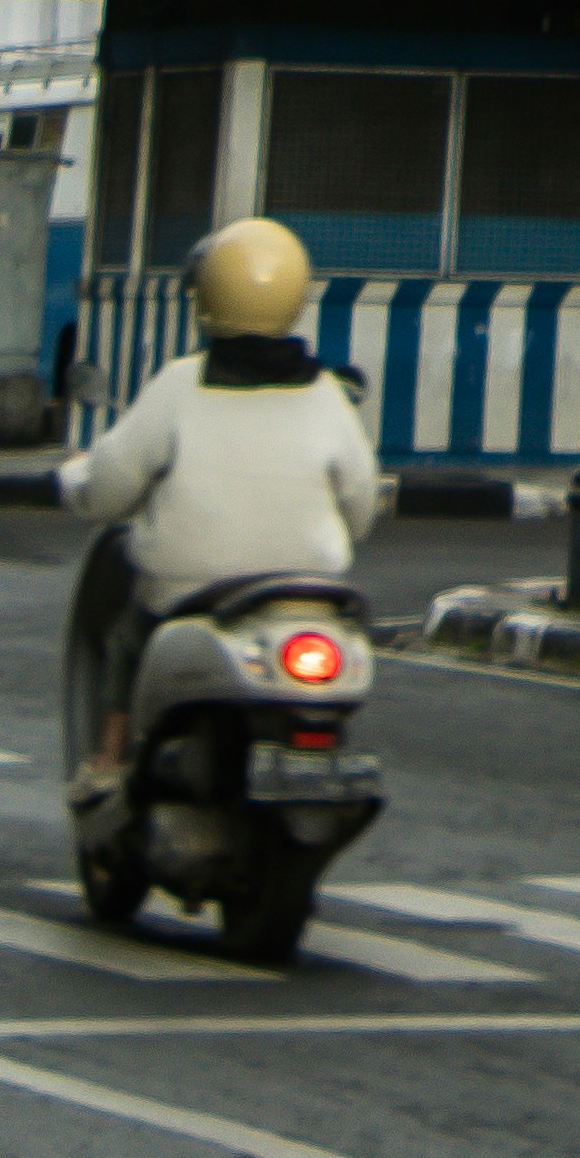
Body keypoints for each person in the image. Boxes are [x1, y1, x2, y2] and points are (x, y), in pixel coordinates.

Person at [60, 219, 381, 784]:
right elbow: (361, 507)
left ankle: (112, 755)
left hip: (188, 597)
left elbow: (110, 489)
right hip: (304, 599)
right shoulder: (328, 396)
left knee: (127, 636)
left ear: (207, 295)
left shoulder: (180, 386)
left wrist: (77, 483)